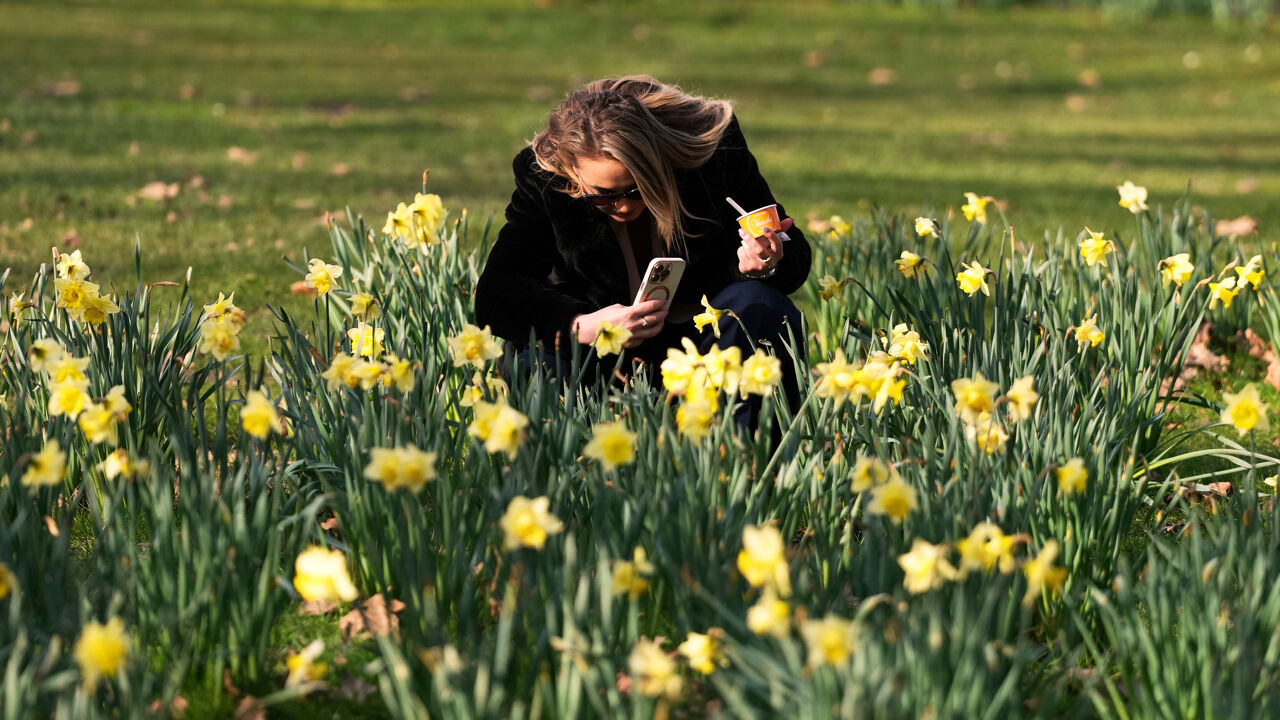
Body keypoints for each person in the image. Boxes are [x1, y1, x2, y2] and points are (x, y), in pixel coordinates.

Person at [475, 75, 811, 422]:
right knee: (538, 361)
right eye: (603, 197)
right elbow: (496, 295)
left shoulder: (710, 156)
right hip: (598, 351)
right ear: (573, 171)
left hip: (699, 341)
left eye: (637, 191)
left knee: (759, 306)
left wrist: (765, 262)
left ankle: (744, 451)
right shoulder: (546, 179)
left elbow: (794, 254)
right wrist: (582, 325)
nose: (622, 205)